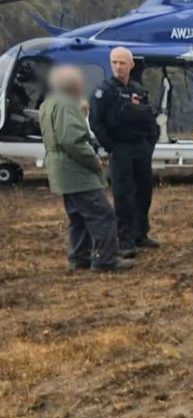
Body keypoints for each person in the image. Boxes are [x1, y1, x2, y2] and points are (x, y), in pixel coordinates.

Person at [39, 65, 133, 272]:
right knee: (102, 214)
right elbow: (72, 141)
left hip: (61, 171)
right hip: (76, 171)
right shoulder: (67, 105)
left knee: (79, 217)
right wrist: (94, 160)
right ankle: (105, 259)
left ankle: (80, 256)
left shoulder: (48, 104)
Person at [90, 47, 160, 257]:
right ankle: (125, 240)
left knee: (144, 192)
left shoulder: (138, 90)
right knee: (124, 195)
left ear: (131, 65)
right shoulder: (104, 91)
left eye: (122, 63)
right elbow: (96, 122)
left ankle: (140, 234)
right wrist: (110, 146)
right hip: (120, 148)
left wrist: (150, 143)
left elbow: (149, 119)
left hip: (141, 148)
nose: (118, 67)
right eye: (114, 63)